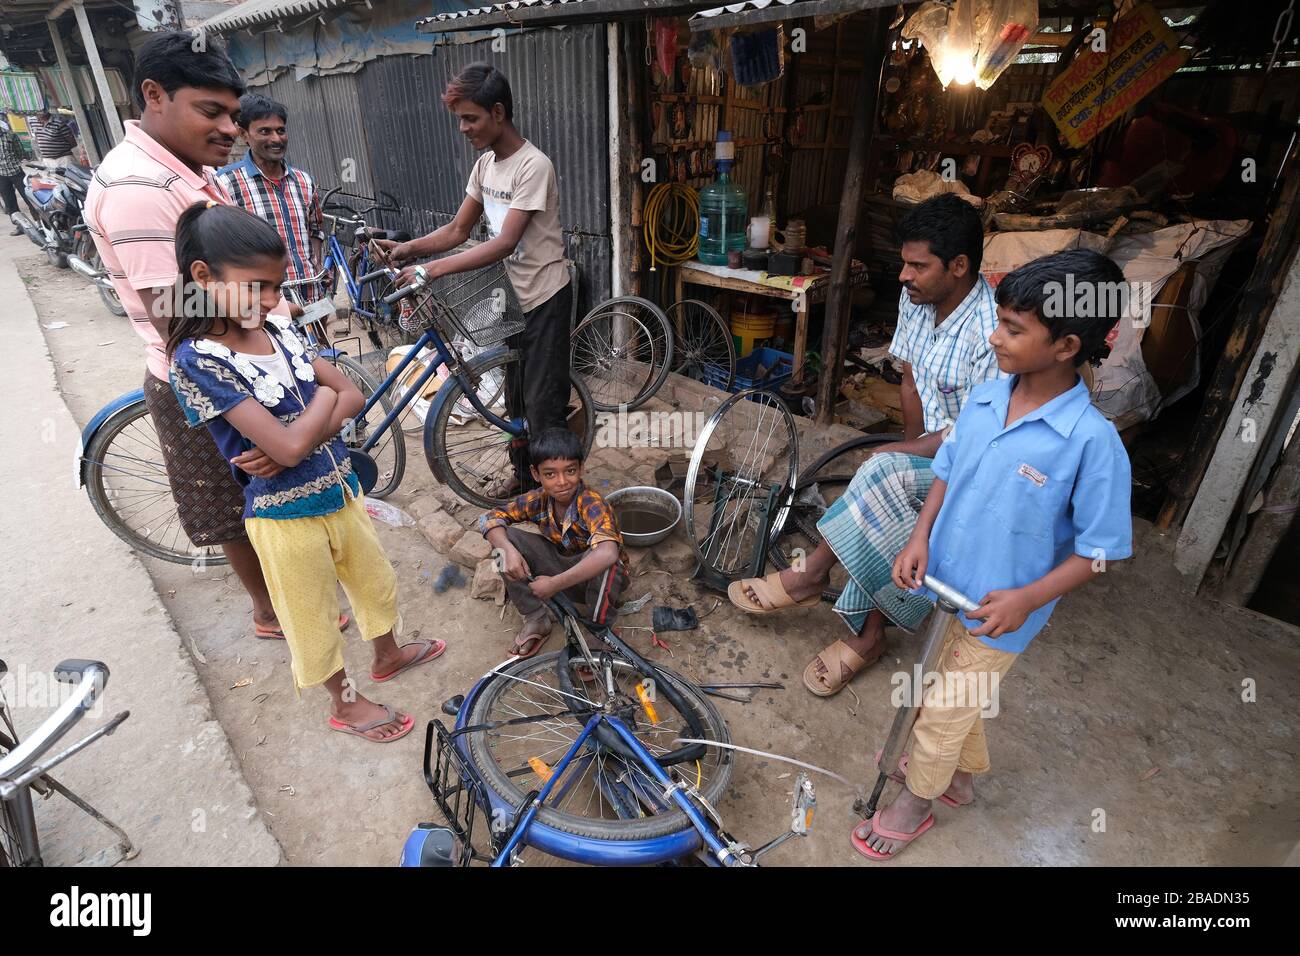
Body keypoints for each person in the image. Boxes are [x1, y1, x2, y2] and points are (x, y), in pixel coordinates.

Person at [853, 249, 1133, 860]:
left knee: (939, 712)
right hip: (947, 588)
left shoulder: (1091, 443)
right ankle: (958, 778)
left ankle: (915, 802)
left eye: (1012, 328)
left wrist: (1028, 599)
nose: (994, 336)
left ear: (1065, 346)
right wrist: (920, 535)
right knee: (942, 692)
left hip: (1002, 613)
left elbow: (1100, 553)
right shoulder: (983, 400)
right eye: (998, 320)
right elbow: (945, 475)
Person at [167, 202, 444, 742]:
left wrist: (301, 432)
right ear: (202, 278)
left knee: (375, 580)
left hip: (340, 490)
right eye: (258, 287)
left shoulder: (277, 330)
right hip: (282, 517)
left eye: (277, 286)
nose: (273, 301)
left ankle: (386, 655)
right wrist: (317, 411)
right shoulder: (197, 362)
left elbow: (353, 394)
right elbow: (316, 417)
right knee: (311, 617)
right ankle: (343, 702)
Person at [729, 193, 1006, 698]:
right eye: (904, 263)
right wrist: (910, 446)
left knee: (882, 476)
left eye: (918, 266)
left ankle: (815, 582)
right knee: (888, 486)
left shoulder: (991, 335)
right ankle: (866, 632)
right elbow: (910, 378)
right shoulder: (917, 297)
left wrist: (908, 458)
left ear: (960, 266)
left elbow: (978, 434)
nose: (903, 276)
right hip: (934, 446)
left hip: (975, 465)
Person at [84, 29, 294, 640]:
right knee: (229, 503)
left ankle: (284, 589)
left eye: (233, 113)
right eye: (211, 112)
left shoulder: (181, 171)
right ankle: (268, 609)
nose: (231, 128)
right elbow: (168, 305)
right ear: (154, 95)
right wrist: (263, 321)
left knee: (261, 483)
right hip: (205, 373)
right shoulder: (137, 187)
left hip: (240, 357)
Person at [380, 63, 571, 496]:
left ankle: (559, 498)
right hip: (510, 296)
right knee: (515, 397)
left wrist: (433, 268)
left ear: (498, 112)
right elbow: (456, 232)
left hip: (544, 295)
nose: (463, 129)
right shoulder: (486, 166)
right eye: (460, 120)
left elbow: (504, 243)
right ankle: (525, 477)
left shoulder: (532, 166)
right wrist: (409, 249)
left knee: (543, 405)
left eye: (471, 118)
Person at [479, 427, 628, 658]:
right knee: (501, 542)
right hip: (560, 569)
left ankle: (599, 631)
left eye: (570, 471)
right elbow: (489, 518)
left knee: (610, 559)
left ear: (581, 469)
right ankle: (536, 617)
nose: (561, 482)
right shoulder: (537, 499)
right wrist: (507, 548)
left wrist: (554, 584)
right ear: (536, 474)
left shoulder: (592, 503)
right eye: (550, 474)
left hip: (594, 580)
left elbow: (608, 554)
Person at [217, 94, 326, 303]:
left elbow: (315, 230)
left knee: (319, 337)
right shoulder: (226, 183)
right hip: (266, 305)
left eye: (280, 130)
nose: (276, 139)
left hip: (311, 294)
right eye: (264, 131)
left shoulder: (303, 181)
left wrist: (317, 266)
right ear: (243, 134)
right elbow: (221, 249)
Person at [0, 117, 28, 235]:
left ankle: (41, 224)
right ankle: (19, 226)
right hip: (1, 175)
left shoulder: (10, 135)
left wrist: (13, 162)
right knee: (10, 203)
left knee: (29, 198)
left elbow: (20, 153)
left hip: (16, 171)